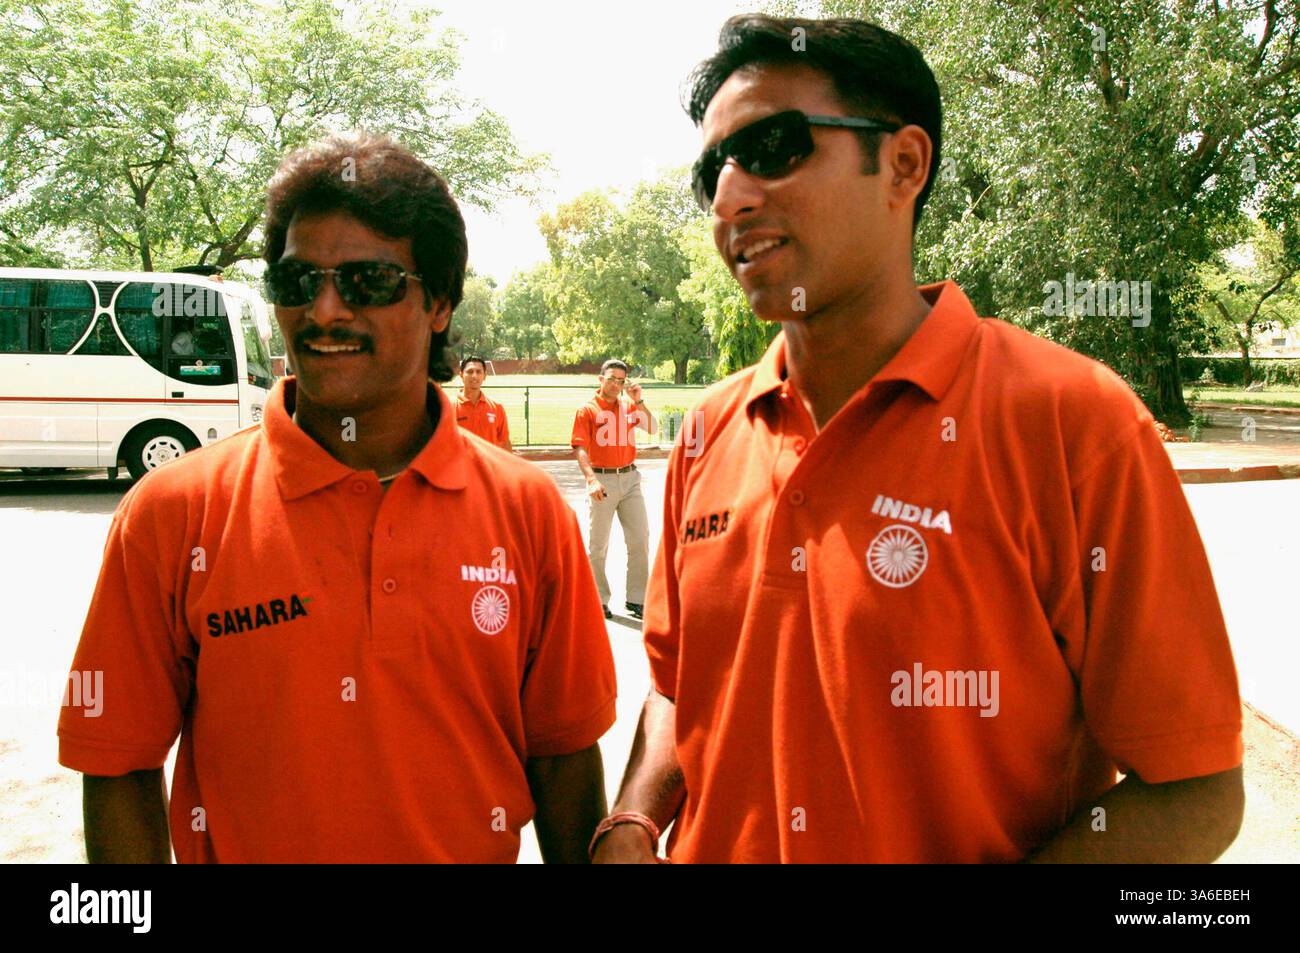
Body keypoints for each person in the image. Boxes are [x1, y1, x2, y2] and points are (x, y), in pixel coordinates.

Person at [592, 14, 1243, 864]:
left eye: (775, 146)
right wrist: (634, 818)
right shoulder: (707, 432)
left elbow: (1195, 789)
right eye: (713, 169)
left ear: (903, 163)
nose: (730, 198)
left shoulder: (1072, 421)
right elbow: (682, 687)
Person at [58, 131, 616, 864]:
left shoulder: (528, 511)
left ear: (441, 301)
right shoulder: (172, 512)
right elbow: (117, 761)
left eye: (368, 282)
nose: (323, 312)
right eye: (297, 283)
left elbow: (564, 755)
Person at [570, 359, 655, 620]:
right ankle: (598, 598)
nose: (616, 384)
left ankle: (637, 599)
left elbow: (652, 428)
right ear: (601, 379)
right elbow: (580, 448)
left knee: (640, 540)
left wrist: (639, 400)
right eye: (612, 379)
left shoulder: (629, 406)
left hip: (630, 479)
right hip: (602, 481)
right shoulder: (587, 410)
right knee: (598, 546)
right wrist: (591, 479)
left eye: (621, 380)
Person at [455, 356, 512, 450]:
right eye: (470, 371)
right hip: (462, 464)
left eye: (478, 372)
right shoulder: (449, 408)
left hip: (488, 464)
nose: (474, 375)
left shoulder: (497, 408)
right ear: (461, 375)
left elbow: (504, 443)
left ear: (484, 376)